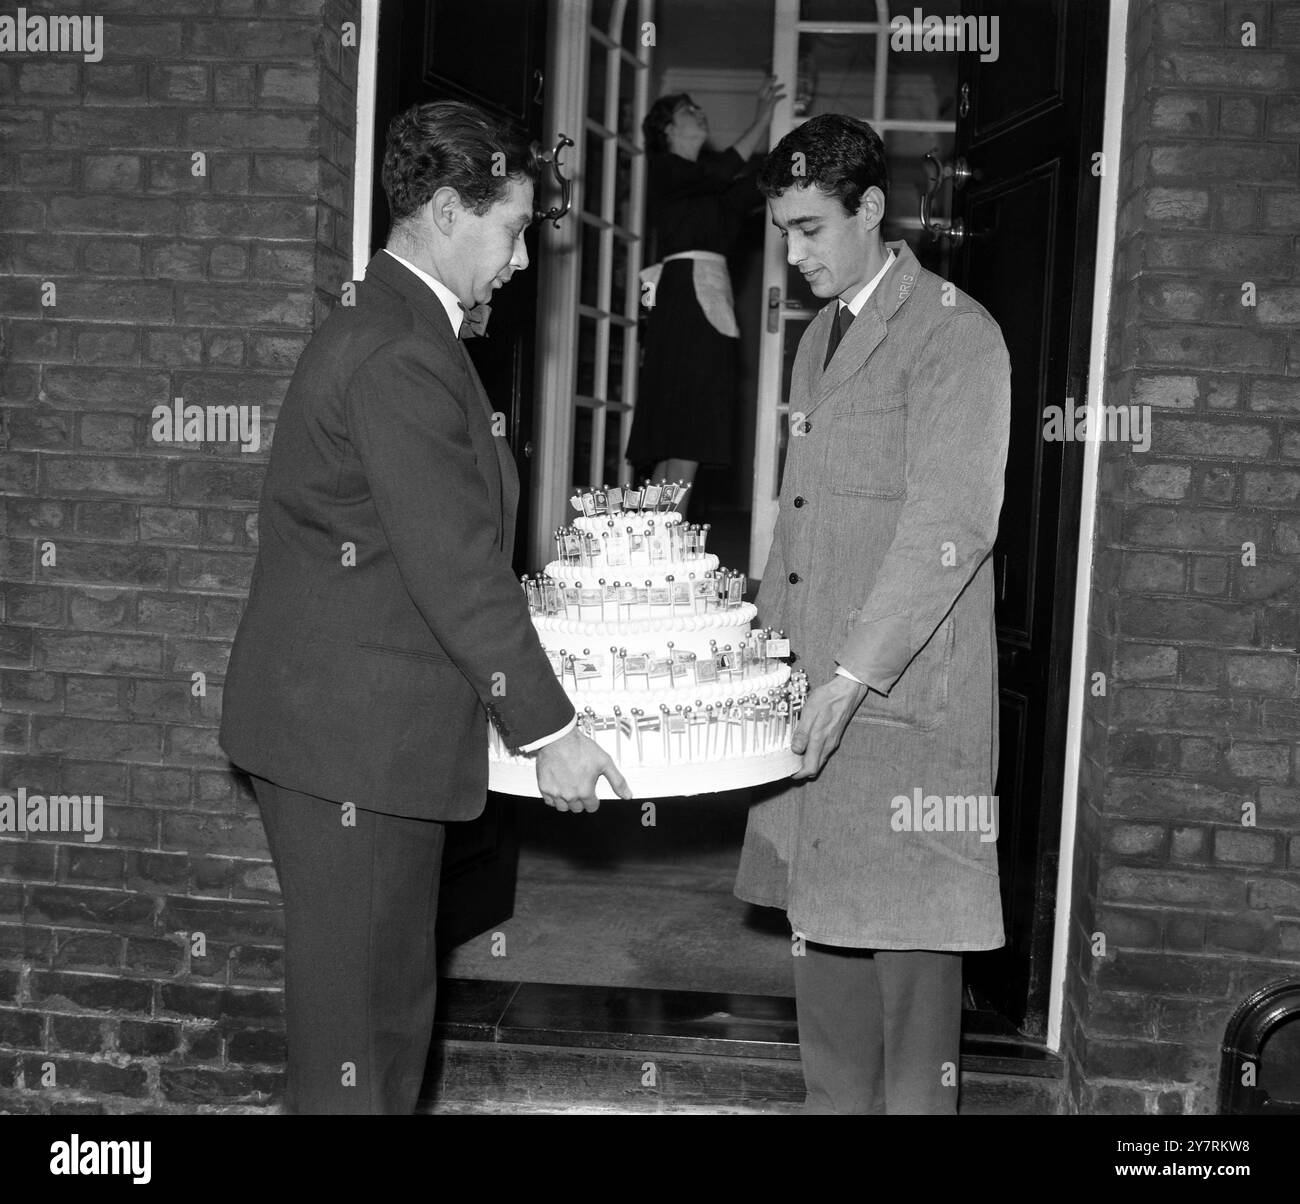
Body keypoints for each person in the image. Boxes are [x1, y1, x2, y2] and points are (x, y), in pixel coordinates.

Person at [219, 100, 629, 1115]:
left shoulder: (398, 327)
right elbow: (456, 568)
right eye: (513, 229)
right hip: (350, 749)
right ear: (448, 210)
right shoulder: (401, 348)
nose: (523, 260)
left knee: (378, 1029)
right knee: (359, 1049)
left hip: (359, 741)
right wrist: (552, 730)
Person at [734, 114, 1011, 1115]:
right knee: (830, 1003)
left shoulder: (956, 333)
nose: (795, 253)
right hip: (815, 703)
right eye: (783, 232)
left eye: (811, 228)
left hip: (902, 721)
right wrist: (762, 657)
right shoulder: (818, 338)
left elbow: (950, 526)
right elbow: (797, 519)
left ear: (872, 210)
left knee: (913, 1021)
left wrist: (849, 678)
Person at [626, 80, 784, 511]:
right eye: (687, 109)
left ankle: (647, 542)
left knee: (685, 432)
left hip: (708, 306)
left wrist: (797, 158)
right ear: (667, 130)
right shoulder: (665, 170)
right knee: (685, 430)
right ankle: (664, 548)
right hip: (682, 307)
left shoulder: (712, 192)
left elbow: (748, 188)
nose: (699, 112)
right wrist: (761, 122)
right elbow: (719, 173)